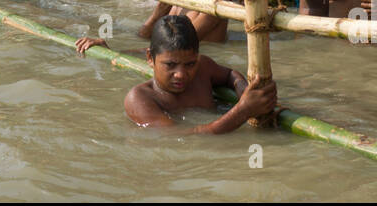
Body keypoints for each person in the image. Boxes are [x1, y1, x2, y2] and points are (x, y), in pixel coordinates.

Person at [92, 15, 275, 134]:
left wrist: (244, 92)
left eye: (189, 64)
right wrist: (243, 110)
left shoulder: (203, 67)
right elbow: (185, 137)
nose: (180, 74)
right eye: (170, 65)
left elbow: (229, 75)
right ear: (150, 58)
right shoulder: (138, 98)